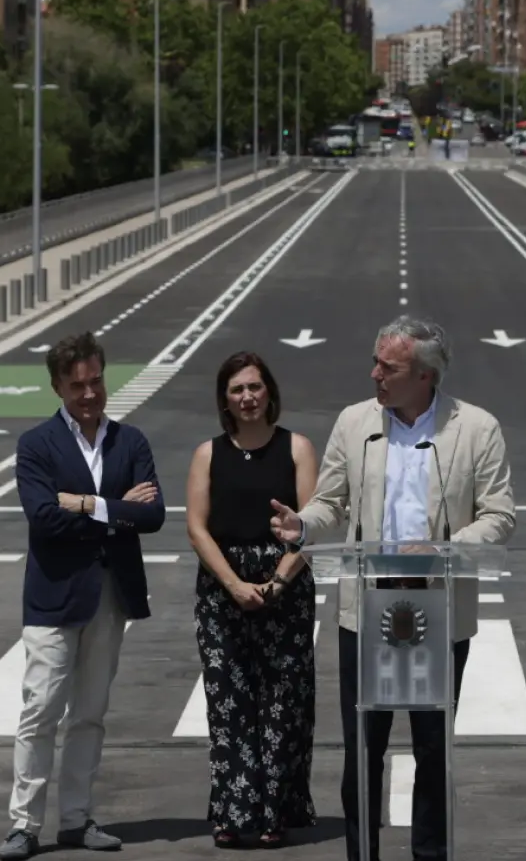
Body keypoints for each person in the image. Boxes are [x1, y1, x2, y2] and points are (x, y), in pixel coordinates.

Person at [268, 315, 517, 861]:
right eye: (375, 362)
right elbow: (332, 502)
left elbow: (499, 515)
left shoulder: (476, 429)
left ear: (425, 375)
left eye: (389, 367)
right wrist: (302, 526)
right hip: (367, 606)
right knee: (363, 748)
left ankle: (430, 853)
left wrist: (443, 549)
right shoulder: (356, 422)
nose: (374, 375)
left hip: (438, 607)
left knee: (432, 749)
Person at [0, 331, 167, 861]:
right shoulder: (36, 445)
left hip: (110, 596)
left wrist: (88, 504)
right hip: (53, 597)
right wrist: (117, 510)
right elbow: (44, 519)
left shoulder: (130, 441)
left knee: (89, 714)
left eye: (96, 381)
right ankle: (24, 825)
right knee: (40, 712)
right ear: (58, 387)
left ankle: (76, 819)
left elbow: (153, 515)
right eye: (78, 386)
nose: (90, 393)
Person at [184, 351, 319, 848]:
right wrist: (235, 585)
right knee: (229, 704)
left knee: (284, 703)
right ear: (225, 399)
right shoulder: (207, 454)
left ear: (269, 392)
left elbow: (312, 525)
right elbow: (197, 528)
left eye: (255, 387)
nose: (247, 397)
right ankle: (233, 811)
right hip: (223, 592)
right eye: (237, 390)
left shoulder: (297, 448)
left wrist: (277, 583)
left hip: (286, 587)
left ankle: (274, 813)